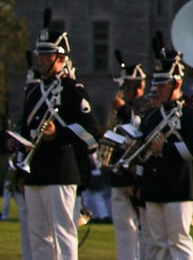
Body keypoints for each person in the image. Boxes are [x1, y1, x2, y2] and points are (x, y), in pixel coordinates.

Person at [11, 18, 100, 260]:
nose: (40, 59)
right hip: (36, 172)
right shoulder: (33, 91)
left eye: (47, 54)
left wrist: (57, 134)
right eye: (39, 53)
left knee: (63, 233)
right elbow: (27, 130)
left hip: (61, 171)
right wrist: (20, 167)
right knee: (38, 235)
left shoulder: (73, 90)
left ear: (60, 59)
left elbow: (91, 132)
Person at [138, 45, 193, 260]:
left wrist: (165, 149)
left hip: (179, 186)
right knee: (157, 244)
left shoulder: (189, 113)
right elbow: (142, 147)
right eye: (156, 83)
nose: (157, 88)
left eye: (163, 84)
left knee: (178, 242)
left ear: (176, 83)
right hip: (154, 186)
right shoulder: (151, 116)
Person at [107, 54, 149, 260]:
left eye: (127, 86)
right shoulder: (125, 107)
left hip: (136, 174)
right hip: (119, 172)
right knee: (123, 228)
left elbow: (139, 131)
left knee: (143, 229)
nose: (123, 90)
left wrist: (124, 110)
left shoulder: (145, 106)